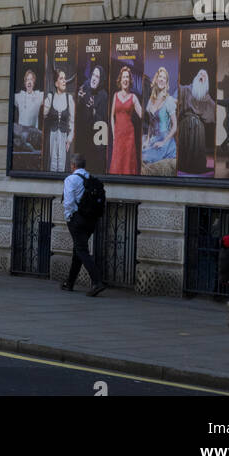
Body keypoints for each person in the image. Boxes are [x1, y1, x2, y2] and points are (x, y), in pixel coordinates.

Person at [61, 152, 105, 296]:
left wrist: (69, 218)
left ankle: (97, 282)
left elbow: (68, 202)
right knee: (78, 250)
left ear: (73, 165)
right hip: (91, 220)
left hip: (78, 220)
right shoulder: (90, 178)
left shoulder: (71, 179)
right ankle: (70, 282)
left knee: (81, 251)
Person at [177, 68, 217, 174]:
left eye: (204, 76)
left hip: (198, 127)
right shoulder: (186, 89)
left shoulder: (206, 97)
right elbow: (177, 94)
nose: (202, 76)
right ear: (196, 76)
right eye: (200, 74)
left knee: (196, 148)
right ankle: (183, 166)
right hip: (185, 123)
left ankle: (195, 167)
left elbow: (215, 109)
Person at [142, 66, 177, 173]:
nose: (161, 79)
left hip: (165, 141)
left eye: (164, 78)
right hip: (154, 138)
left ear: (166, 82)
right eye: (160, 77)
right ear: (156, 79)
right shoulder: (151, 101)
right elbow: (151, 125)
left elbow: (175, 126)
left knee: (144, 157)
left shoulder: (169, 100)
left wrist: (163, 142)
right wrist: (147, 140)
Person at [109, 65, 141, 175]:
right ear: (120, 79)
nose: (125, 79)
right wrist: (114, 135)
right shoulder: (115, 95)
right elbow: (111, 117)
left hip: (129, 136)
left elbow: (142, 114)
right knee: (117, 163)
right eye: (124, 77)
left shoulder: (134, 97)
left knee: (128, 164)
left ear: (130, 80)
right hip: (118, 135)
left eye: (127, 77)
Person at [43, 67, 75, 173]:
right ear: (56, 83)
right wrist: (47, 100)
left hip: (64, 137)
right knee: (52, 164)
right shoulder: (51, 97)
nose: (64, 81)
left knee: (62, 165)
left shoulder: (69, 98)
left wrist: (69, 138)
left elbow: (72, 121)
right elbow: (42, 114)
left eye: (65, 78)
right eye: (61, 78)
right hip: (52, 136)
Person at [13, 69, 44, 155]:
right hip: (22, 131)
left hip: (34, 132)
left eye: (31, 79)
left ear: (34, 82)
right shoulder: (19, 96)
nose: (29, 82)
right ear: (24, 83)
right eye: (27, 80)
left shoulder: (39, 95)